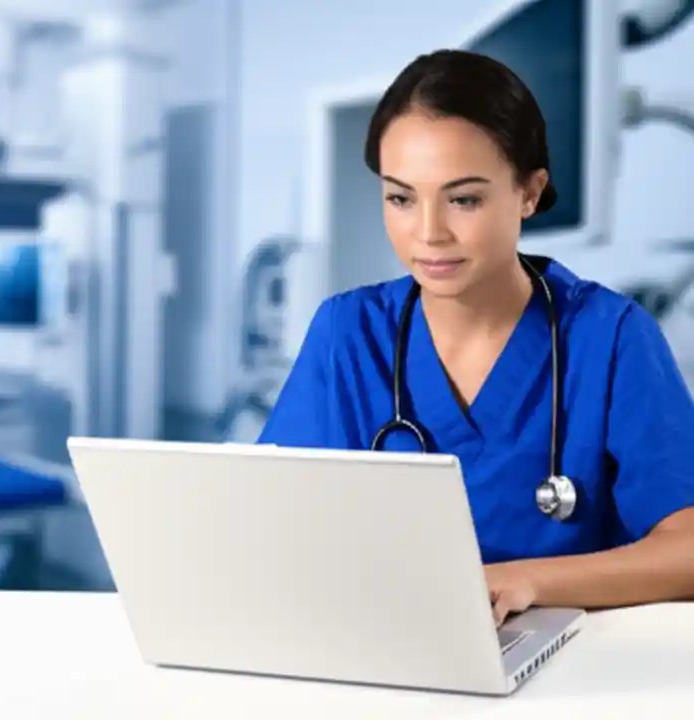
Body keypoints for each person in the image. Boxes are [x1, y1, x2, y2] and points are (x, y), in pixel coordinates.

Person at [258, 49, 694, 625]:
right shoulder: (349, 334)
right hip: (387, 651)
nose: (429, 233)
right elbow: (266, 527)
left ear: (530, 192)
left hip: (572, 668)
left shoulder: (609, 338)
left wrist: (523, 582)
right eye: (401, 198)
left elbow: (686, 549)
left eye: (463, 199)